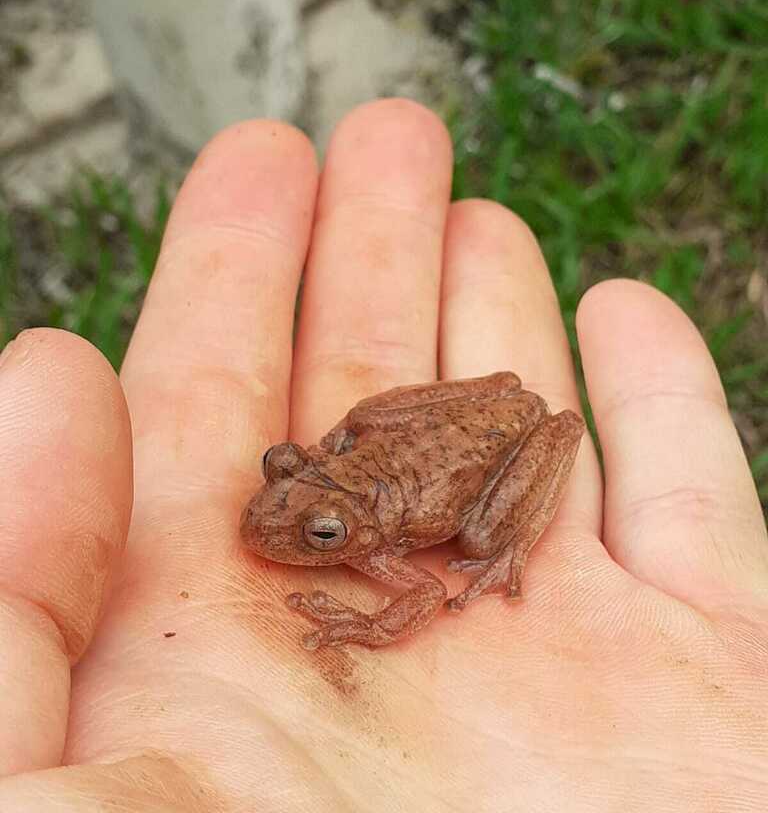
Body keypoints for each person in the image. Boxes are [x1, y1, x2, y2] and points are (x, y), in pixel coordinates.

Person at [0, 99, 765, 810]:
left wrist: (365, 625)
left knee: (481, 535)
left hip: (490, 454)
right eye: (282, 467)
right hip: (438, 431)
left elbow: (426, 596)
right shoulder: (322, 478)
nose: (274, 518)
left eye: (320, 536)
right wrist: (339, 456)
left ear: (356, 539)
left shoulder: (384, 551)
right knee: (372, 418)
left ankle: (508, 546)